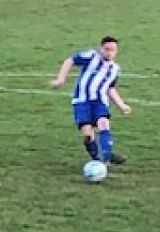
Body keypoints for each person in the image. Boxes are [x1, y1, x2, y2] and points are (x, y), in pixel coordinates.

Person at [48, 36, 132, 165]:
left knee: (103, 123)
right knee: (88, 134)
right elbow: (70, 60)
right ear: (101, 48)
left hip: (100, 102)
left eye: (112, 50)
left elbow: (110, 88)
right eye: (106, 49)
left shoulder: (115, 69)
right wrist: (61, 79)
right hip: (82, 101)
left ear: (116, 51)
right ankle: (97, 160)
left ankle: (107, 155)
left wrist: (121, 105)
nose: (109, 52)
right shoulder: (91, 56)